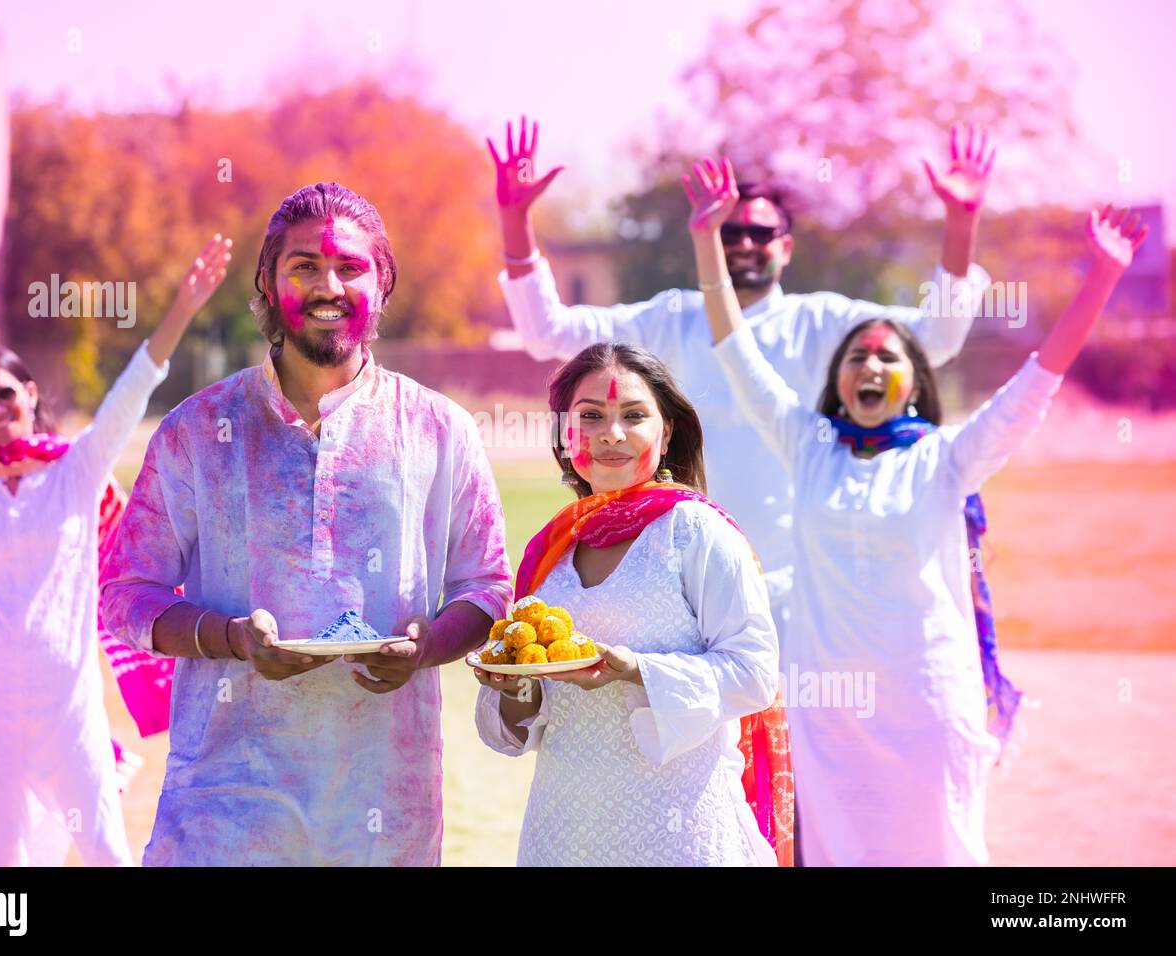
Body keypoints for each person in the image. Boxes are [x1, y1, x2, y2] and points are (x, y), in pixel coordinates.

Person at [687, 154, 1147, 865]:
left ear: (913, 381)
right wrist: (704, 238)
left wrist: (1104, 277)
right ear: (837, 382)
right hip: (829, 714)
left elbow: (1038, 380)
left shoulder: (947, 458)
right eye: (857, 357)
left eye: (888, 357)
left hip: (926, 703)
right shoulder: (807, 444)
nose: (871, 366)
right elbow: (734, 347)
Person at [100, 182, 513, 866]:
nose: (329, 286)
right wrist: (228, 638)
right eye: (304, 268)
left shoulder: (441, 430)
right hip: (224, 809)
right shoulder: (197, 431)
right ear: (266, 282)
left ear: (383, 282)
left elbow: (489, 586)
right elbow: (124, 594)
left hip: (383, 811)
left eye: (350, 267)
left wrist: (430, 644)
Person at [488, 115, 994, 637]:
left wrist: (962, 224)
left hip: (799, 584)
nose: (746, 243)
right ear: (708, 237)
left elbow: (936, 338)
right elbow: (546, 332)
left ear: (787, 248)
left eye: (761, 232)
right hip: (683, 571)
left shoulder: (819, 323)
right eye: (731, 231)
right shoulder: (672, 318)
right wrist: (516, 221)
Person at [0, 235, 232, 865]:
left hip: (67, 705)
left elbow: (133, 390)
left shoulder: (75, 470)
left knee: (105, 852)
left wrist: (182, 305)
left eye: (4, 395)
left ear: (31, 395)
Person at [471, 342, 785, 866]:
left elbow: (755, 674)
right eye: (590, 416)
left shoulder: (696, 532)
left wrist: (636, 670)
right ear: (565, 437)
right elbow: (519, 726)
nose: (611, 434)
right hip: (567, 832)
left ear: (665, 436)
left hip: (681, 833)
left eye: (633, 416)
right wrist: (514, 682)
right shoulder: (550, 552)